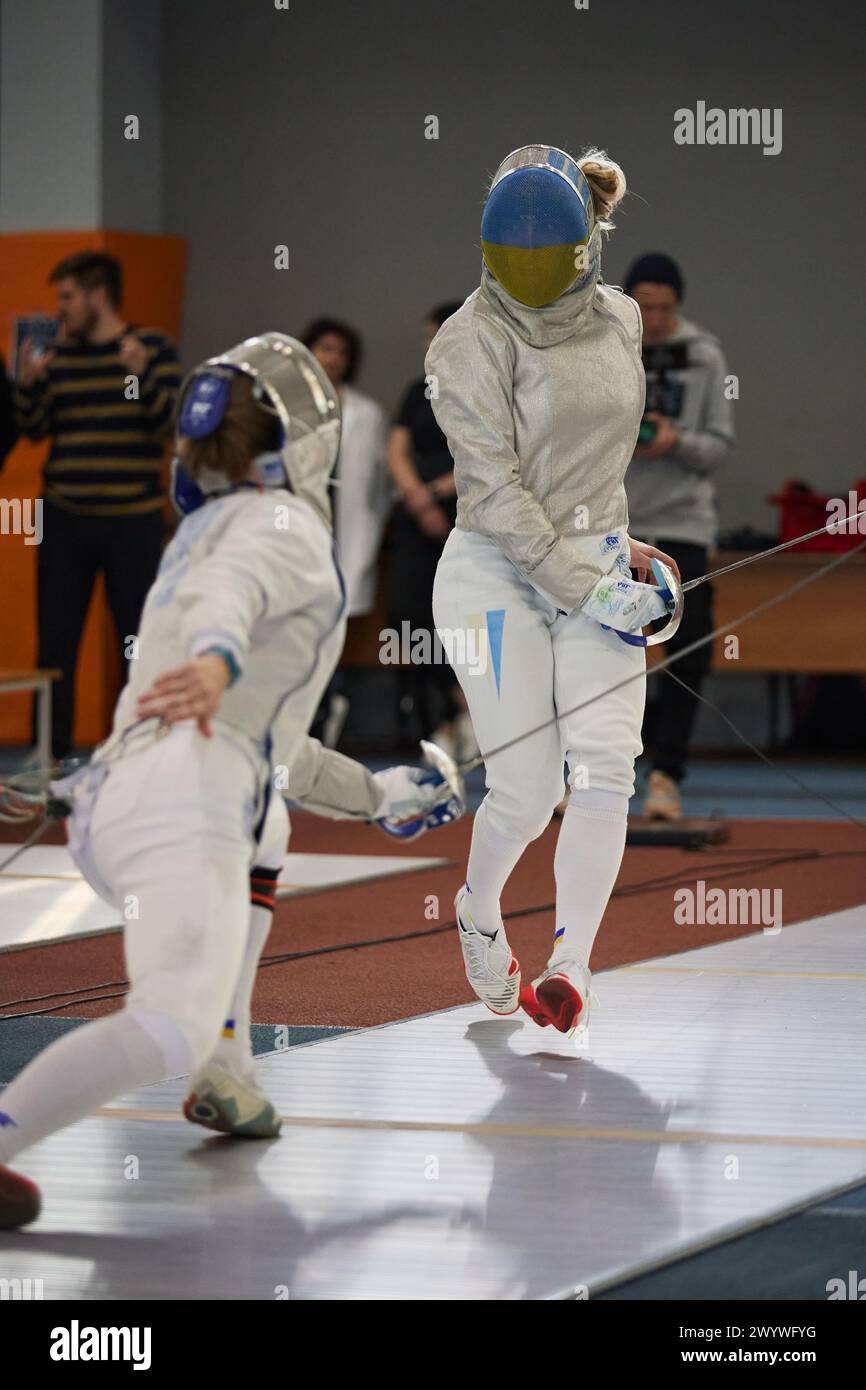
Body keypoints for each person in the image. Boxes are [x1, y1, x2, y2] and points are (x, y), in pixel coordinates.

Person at [0, 333, 460, 1229]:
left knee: (269, 824)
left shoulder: (205, 526)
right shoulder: (281, 529)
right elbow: (232, 600)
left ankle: (229, 1065)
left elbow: (275, 746)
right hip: (181, 802)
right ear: (302, 441)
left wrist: (378, 797)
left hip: (128, 799)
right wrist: (216, 657)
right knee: (163, 1022)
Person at [428, 144, 679, 1033]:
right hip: (488, 575)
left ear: (587, 249)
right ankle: (478, 912)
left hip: (595, 564)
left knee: (607, 762)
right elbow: (496, 495)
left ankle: (571, 965)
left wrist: (619, 547)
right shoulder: (465, 341)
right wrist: (592, 580)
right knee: (529, 789)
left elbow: (588, 465)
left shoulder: (619, 317)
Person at [13, 251, 181, 759]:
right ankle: (49, 754)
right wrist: (26, 385)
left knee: (138, 638)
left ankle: (141, 749)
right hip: (65, 515)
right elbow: (36, 428)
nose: (59, 308)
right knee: (56, 642)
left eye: (66, 296)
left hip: (133, 518)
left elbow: (169, 425)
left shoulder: (150, 346)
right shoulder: (57, 355)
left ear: (97, 295)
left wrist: (141, 376)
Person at [622, 253, 735, 820]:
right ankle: (590, 773)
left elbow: (717, 446)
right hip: (617, 524)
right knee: (600, 648)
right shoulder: (606, 345)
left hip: (683, 525)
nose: (656, 319)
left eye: (666, 308)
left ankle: (666, 774)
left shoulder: (705, 355)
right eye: (645, 307)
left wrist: (676, 442)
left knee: (687, 654)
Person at [387, 303, 477, 759]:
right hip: (415, 517)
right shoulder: (416, 391)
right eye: (428, 335)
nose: (431, 344)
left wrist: (439, 494)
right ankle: (444, 714)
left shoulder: (481, 390)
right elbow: (397, 449)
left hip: (465, 518)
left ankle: (473, 709)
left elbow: (484, 456)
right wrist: (417, 497)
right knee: (406, 621)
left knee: (457, 622)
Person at [301, 317, 391, 748]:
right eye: (324, 348)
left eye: (339, 351)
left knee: (335, 626)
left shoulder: (367, 413)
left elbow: (378, 484)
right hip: (302, 529)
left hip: (348, 530)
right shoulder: (289, 407)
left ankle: (327, 709)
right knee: (300, 625)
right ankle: (302, 714)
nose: (331, 358)